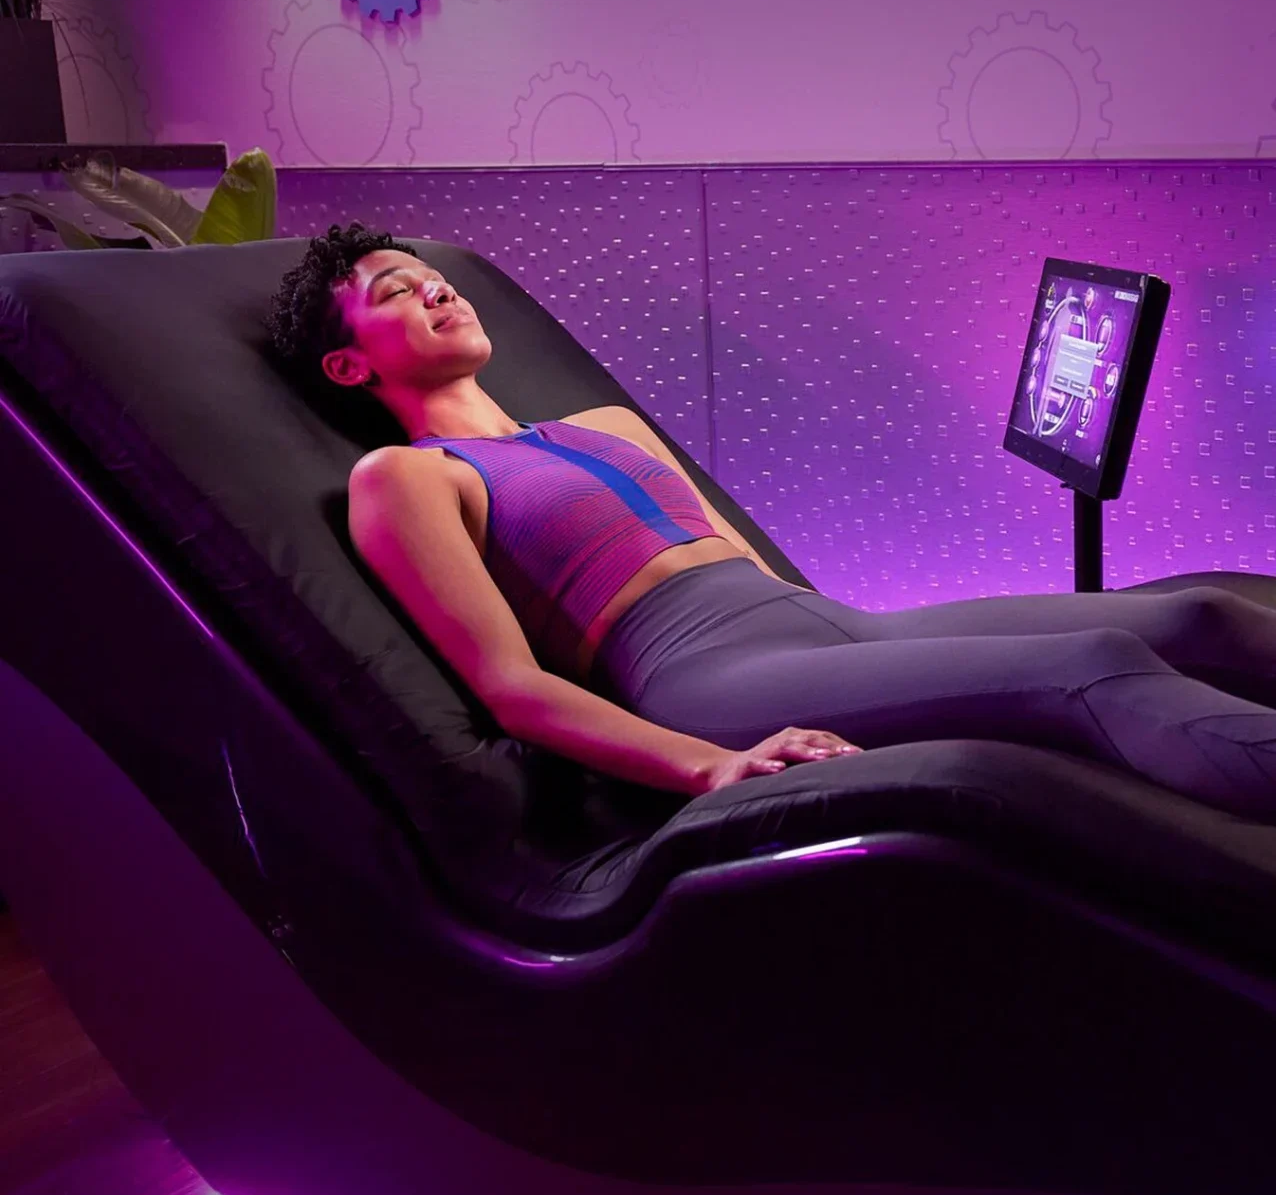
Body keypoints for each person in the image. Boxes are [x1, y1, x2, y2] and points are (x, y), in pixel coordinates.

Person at [270, 223, 1276, 819]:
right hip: (701, 676)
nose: (433, 286)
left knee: (1195, 616)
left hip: (816, 624)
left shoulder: (604, 424)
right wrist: (709, 766)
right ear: (349, 366)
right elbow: (512, 690)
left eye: (431, 273)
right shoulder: (404, 478)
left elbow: (756, 569)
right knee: (1089, 667)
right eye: (395, 290)